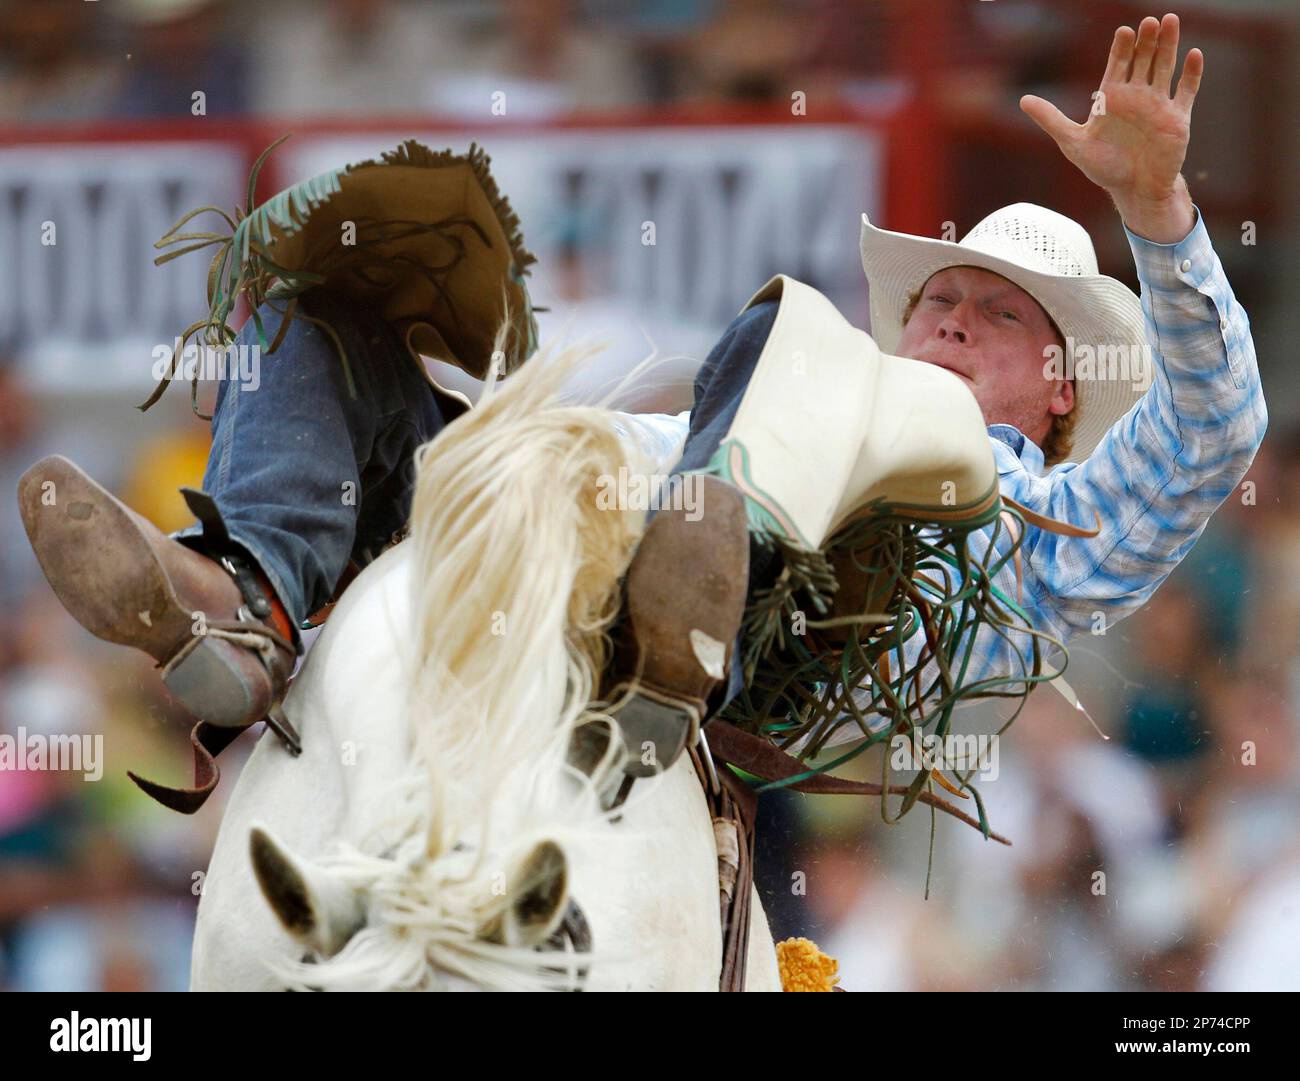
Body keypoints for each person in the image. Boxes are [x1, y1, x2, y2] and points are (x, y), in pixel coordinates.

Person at [17, 16, 1265, 794]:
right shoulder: (797, 387)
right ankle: (247, 602)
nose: (948, 315)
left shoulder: (1054, 523)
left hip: (787, 628)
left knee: (789, 327)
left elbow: (1214, 429)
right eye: (941, 294)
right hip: (583, 512)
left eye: (999, 315)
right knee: (321, 304)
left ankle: (700, 604)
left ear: (1061, 391)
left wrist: (1156, 217)